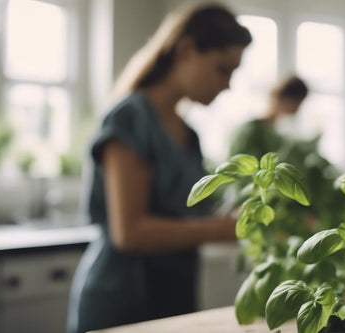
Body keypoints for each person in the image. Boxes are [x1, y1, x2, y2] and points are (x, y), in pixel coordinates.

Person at [67, 3, 251, 333]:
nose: (227, 84)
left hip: (173, 297)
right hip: (121, 300)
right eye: (223, 69)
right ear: (186, 50)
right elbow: (129, 233)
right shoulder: (130, 118)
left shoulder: (189, 135)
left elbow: (192, 211)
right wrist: (223, 230)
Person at [228, 75, 309, 158]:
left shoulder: (274, 132)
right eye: (298, 102)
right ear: (285, 99)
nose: (298, 107)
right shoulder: (251, 130)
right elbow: (237, 160)